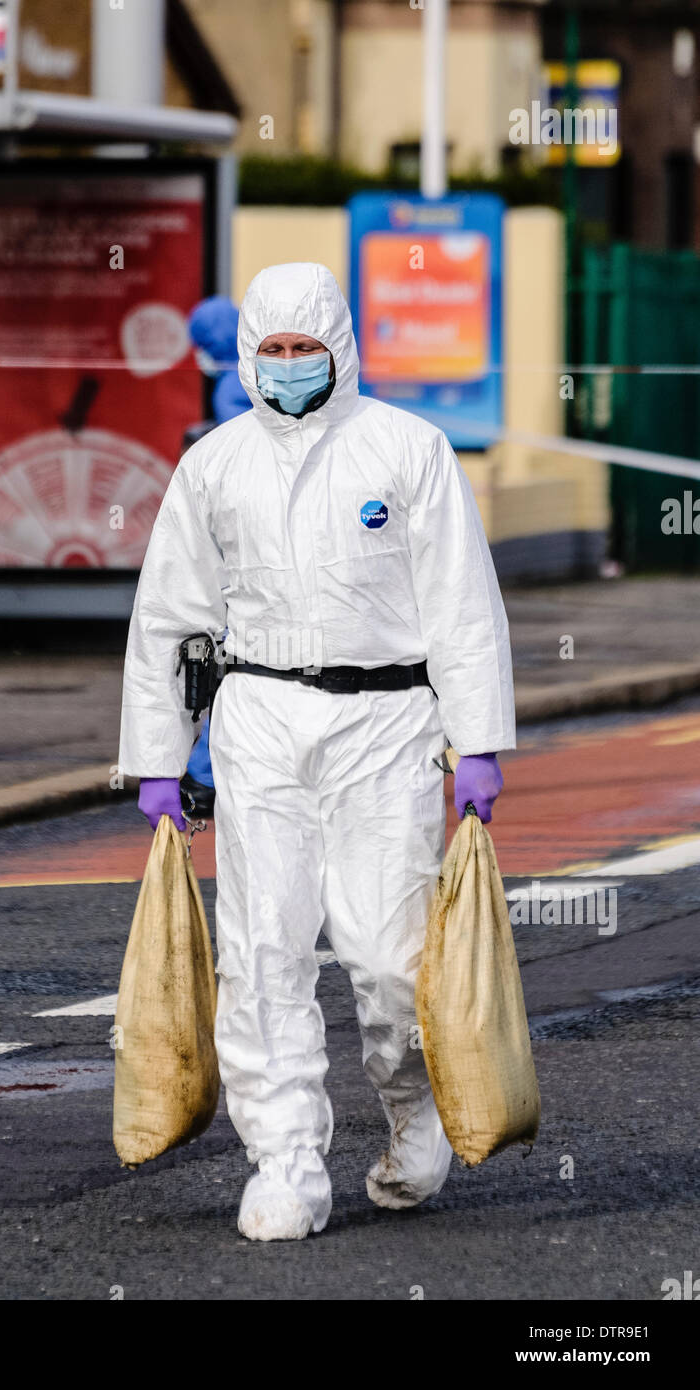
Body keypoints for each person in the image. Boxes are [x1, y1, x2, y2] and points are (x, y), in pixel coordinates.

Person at [118, 263, 515, 1241]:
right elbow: (167, 617)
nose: (289, 366)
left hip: (386, 726)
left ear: (339, 348)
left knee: (386, 952)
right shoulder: (214, 466)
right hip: (257, 722)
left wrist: (477, 741)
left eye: (305, 348)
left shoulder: (405, 451)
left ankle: (412, 1104)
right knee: (264, 949)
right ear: (249, 355)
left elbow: (461, 606)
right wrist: (159, 755)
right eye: (272, 350)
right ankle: (286, 1159)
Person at [180, 296, 253, 817]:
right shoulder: (250, 376)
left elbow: (232, 459)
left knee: (233, 668)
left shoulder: (232, 386)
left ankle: (204, 779)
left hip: (239, 550)